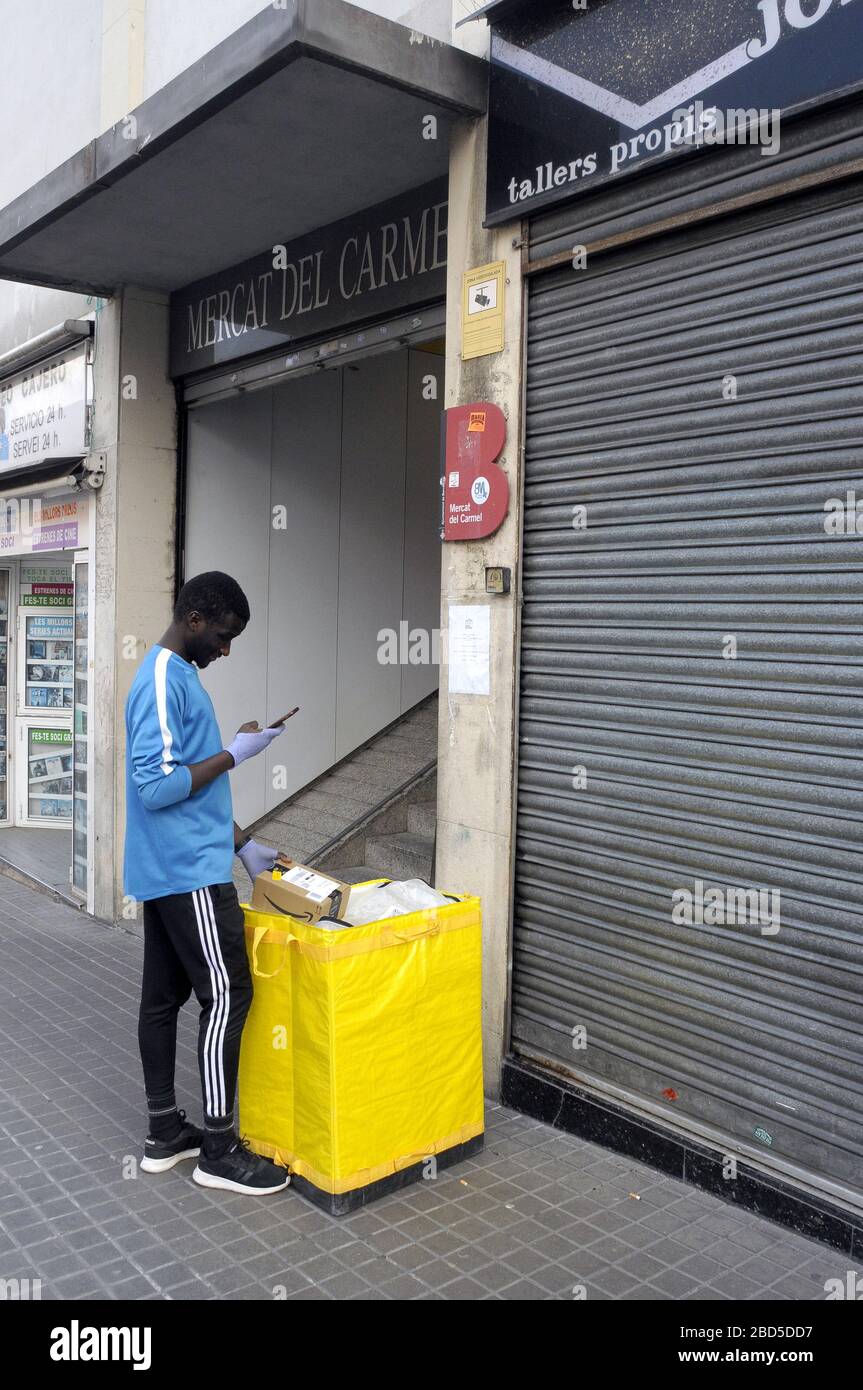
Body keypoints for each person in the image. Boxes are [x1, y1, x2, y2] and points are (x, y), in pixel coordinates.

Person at [124, 570, 290, 1195]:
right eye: (223, 636)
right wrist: (237, 753)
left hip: (179, 863)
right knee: (228, 996)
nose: (226, 649)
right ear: (195, 619)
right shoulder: (165, 680)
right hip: (187, 872)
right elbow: (158, 787)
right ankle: (219, 1150)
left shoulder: (179, 676)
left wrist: (244, 843)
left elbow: (194, 787)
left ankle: (165, 1134)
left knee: (163, 1000)